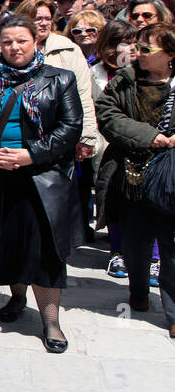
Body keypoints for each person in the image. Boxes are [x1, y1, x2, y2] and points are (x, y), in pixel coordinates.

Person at [0, 14, 83, 352]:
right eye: (7, 41)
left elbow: (70, 128)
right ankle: (16, 297)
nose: (14, 47)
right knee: (7, 244)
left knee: (45, 253)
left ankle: (51, 321)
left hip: (44, 180)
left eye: (21, 40)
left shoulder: (60, 79)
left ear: (36, 41)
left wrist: (30, 154)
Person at [96, 22, 175, 336]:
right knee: (135, 242)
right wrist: (150, 136)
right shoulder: (125, 81)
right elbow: (107, 114)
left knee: (172, 248)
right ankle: (139, 290)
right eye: (137, 47)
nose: (137, 53)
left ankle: (172, 312)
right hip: (133, 175)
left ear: (169, 54)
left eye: (146, 48)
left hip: (171, 179)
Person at [0, 0, 98, 175]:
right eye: (37, 19)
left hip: (55, 146)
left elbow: (83, 96)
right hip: (3, 152)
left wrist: (87, 136)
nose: (43, 23)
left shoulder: (68, 49)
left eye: (47, 18)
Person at [89, 20, 139, 279]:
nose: (127, 50)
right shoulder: (93, 73)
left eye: (132, 43)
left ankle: (149, 255)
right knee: (112, 198)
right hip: (107, 148)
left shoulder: (145, 73)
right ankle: (117, 251)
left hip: (144, 146)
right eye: (120, 44)